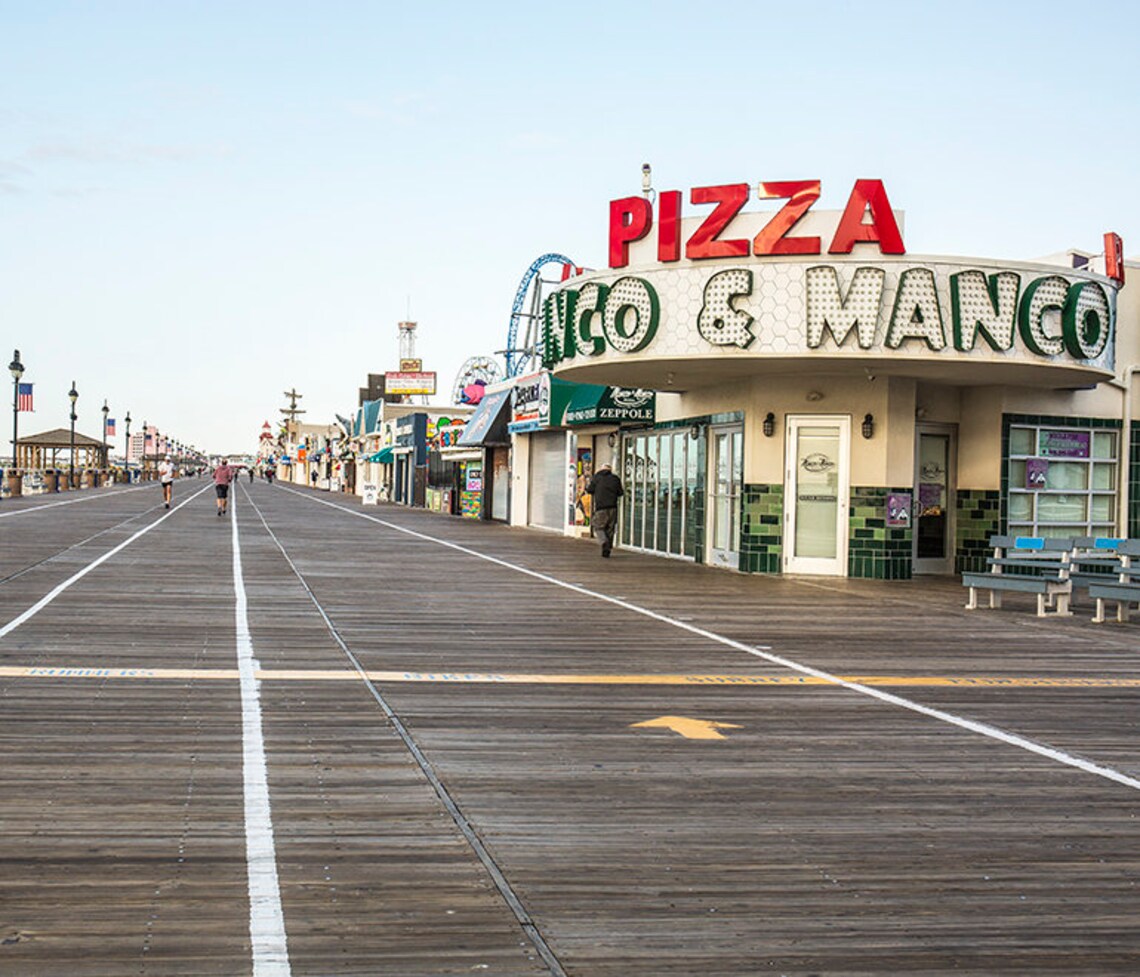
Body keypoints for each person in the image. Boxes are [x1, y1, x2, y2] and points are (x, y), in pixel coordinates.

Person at [585, 461, 623, 558]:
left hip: (601, 507)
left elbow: (590, 490)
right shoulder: (615, 479)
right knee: (610, 529)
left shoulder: (597, 478)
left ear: (601, 469)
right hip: (613, 507)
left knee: (598, 526)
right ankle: (607, 550)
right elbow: (620, 493)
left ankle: (604, 541)